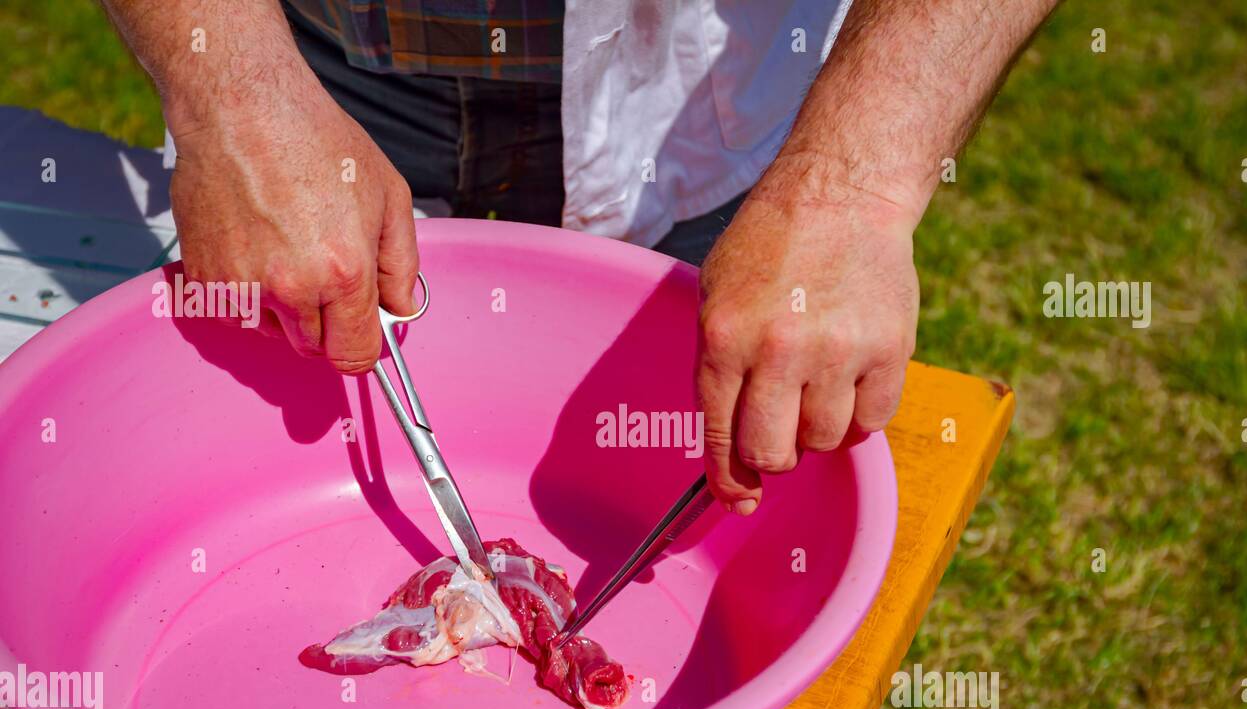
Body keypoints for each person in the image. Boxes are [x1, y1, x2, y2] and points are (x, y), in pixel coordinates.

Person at [101, 0, 1057, 513]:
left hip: (703, 107)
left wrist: (853, 188)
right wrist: (231, 91)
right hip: (320, 69)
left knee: (698, 460)